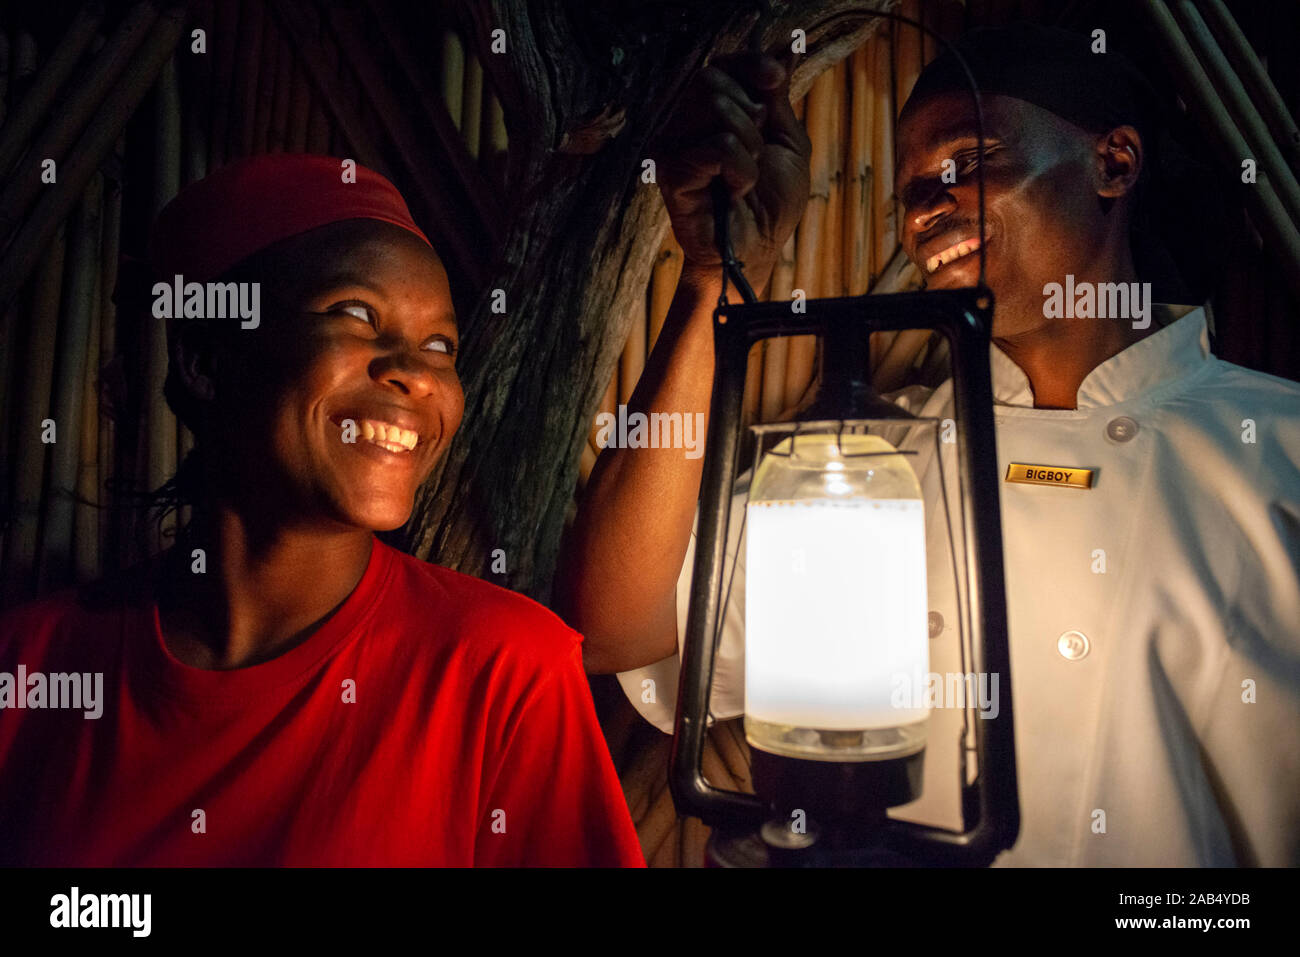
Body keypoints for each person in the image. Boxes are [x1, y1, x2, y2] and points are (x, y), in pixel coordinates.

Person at [556, 25, 1300, 866]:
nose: (924, 210)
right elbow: (615, 629)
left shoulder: (1282, 451)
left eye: (970, 161)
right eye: (909, 191)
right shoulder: (863, 472)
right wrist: (714, 277)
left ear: (1115, 163)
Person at [0, 154, 644, 867]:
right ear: (205, 360)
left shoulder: (504, 672)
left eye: (441, 345)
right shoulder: (33, 667)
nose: (416, 372)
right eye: (356, 314)